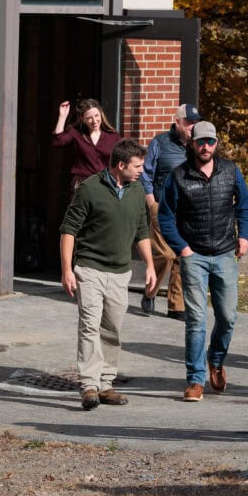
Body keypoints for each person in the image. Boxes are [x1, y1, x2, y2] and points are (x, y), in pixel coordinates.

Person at [59, 139, 158, 411]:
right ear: (120, 165)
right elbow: (69, 230)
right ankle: (89, 385)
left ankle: (105, 384)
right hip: (89, 268)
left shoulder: (137, 191)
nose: (141, 171)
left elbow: (141, 231)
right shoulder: (90, 188)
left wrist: (149, 265)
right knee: (90, 326)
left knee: (112, 328)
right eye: (137, 166)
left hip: (120, 273)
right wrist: (67, 270)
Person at [158, 121, 248, 401]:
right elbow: (165, 216)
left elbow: (245, 205)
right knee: (196, 319)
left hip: (225, 253)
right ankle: (195, 380)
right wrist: (182, 249)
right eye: (200, 142)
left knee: (227, 316)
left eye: (210, 142)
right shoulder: (179, 176)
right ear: (192, 143)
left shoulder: (230, 171)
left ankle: (216, 359)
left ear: (217, 143)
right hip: (194, 255)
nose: (205, 147)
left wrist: (244, 236)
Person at [142, 104, 203, 320]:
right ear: (177, 122)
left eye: (195, 122)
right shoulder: (160, 142)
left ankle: (176, 305)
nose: (192, 127)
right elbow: (146, 174)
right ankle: (150, 292)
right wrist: (151, 203)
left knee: (182, 256)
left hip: (187, 210)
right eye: (189, 123)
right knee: (165, 255)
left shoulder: (197, 146)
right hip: (162, 207)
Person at [52, 98, 120, 191]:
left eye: (96, 115)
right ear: (82, 119)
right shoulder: (76, 133)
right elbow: (58, 141)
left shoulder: (113, 136)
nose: (94, 120)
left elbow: (121, 160)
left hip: (105, 184)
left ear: (101, 114)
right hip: (82, 184)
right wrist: (62, 116)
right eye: (89, 118)